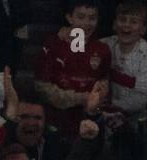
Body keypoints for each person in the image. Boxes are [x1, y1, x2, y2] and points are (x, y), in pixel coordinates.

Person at [35, 0, 111, 141]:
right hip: (56, 119)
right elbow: (42, 87)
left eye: (92, 18)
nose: (86, 23)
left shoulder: (102, 49)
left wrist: (96, 101)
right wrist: (81, 98)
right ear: (69, 18)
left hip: (89, 120)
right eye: (81, 17)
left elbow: (103, 84)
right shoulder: (52, 44)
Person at [104, 1, 147, 121]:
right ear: (114, 24)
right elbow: (82, 49)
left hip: (133, 116)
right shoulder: (105, 44)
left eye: (134, 22)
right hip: (102, 109)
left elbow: (141, 100)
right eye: (122, 19)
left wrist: (110, 105)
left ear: (143, 30)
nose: (126, 25)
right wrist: (67, 33)